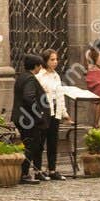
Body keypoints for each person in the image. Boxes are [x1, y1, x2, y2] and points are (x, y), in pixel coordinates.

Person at [13, 53, 49, 184]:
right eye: (40, 66)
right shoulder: (30, 79)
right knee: (30, 145)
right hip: (28, 118)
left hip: (22, 116)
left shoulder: (21, 77)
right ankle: (23, 174)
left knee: (28, 144)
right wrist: (38, 113)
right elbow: (29, 97)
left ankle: (24, 173)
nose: (40, 68)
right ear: (36, 66)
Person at [37, 50, 68, 180]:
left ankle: (52, 169)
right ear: (45, 61)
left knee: (53, 141)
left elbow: (60, 95)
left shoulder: (56, 76)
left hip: (55, 111)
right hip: (44, 112)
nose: (55, 62)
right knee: (40, 141)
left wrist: (64, 112)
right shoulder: (40, 76)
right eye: (52, 60)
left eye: (56, 59)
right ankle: (38, 170)